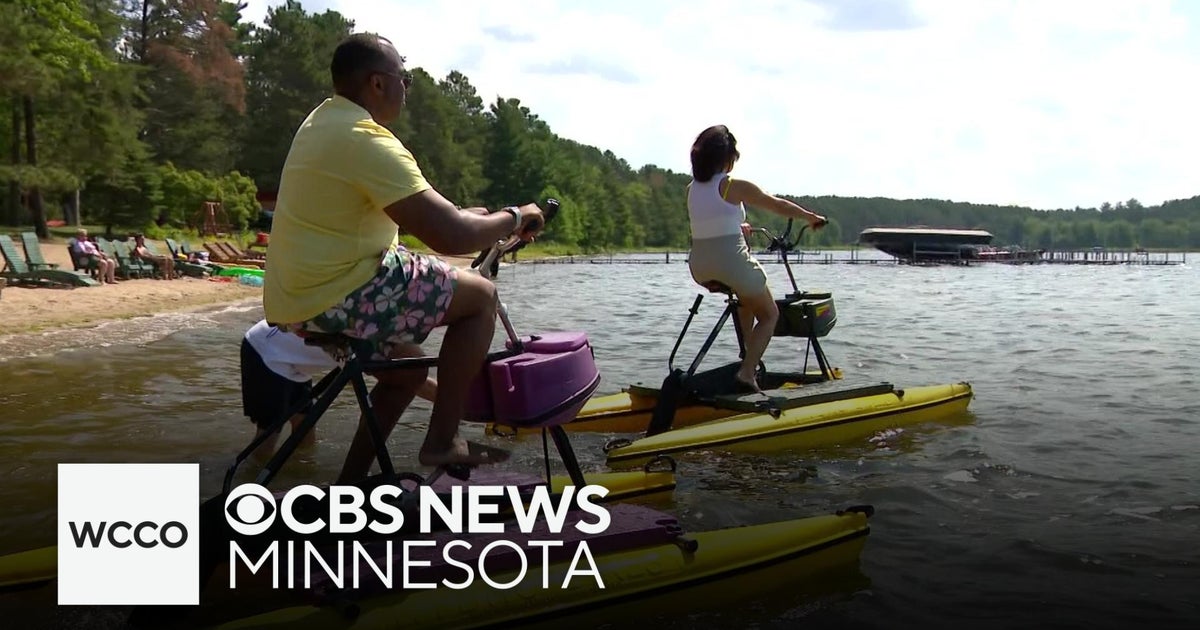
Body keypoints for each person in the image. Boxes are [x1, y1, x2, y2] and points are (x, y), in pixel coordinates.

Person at [263, 32, 547, 482]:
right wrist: (516, 216)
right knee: (480, 298)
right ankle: (443, 440)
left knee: (407, 368)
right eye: (404, 78)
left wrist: (480, 218)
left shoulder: (323, 122)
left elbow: (435, 217)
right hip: (337, 293)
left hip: (297, 303)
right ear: (378, 83)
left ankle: (350, 487)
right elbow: (451, 236)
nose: (406, 89)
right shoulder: (367, 139)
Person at [685, 124, 827, 393]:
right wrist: (811, 217)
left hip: (700, 267)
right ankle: (748, 373)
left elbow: (710, 221)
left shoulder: (691, 189)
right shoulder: (731, 186)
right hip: (731, 264)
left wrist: (738, 228)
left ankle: (747, 358)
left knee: (745, 302)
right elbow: (777, 205)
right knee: (770, 314)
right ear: (726, 158)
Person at [240, 319, 437, 462]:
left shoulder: (380, 329)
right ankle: (249, 480)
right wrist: (456, 406)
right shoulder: (366, 333)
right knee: (269, 432)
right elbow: (415, 381)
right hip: (265, 351)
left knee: (305, 427)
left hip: (294, 360)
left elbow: (406, 375)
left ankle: (300, 473)